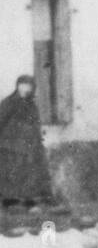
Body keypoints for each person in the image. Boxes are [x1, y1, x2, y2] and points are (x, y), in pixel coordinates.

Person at [0, 75, 55, 209]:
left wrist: (37, 141)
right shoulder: (9, 103)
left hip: (29, 146)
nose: (26, 89)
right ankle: (10, 202)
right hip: (10, 146)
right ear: (17, 86)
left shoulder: (32, 105)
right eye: (23, 85)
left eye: (29, 86)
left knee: (30, 174)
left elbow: (35, 124)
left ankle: (29, 201)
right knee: (11, 174)